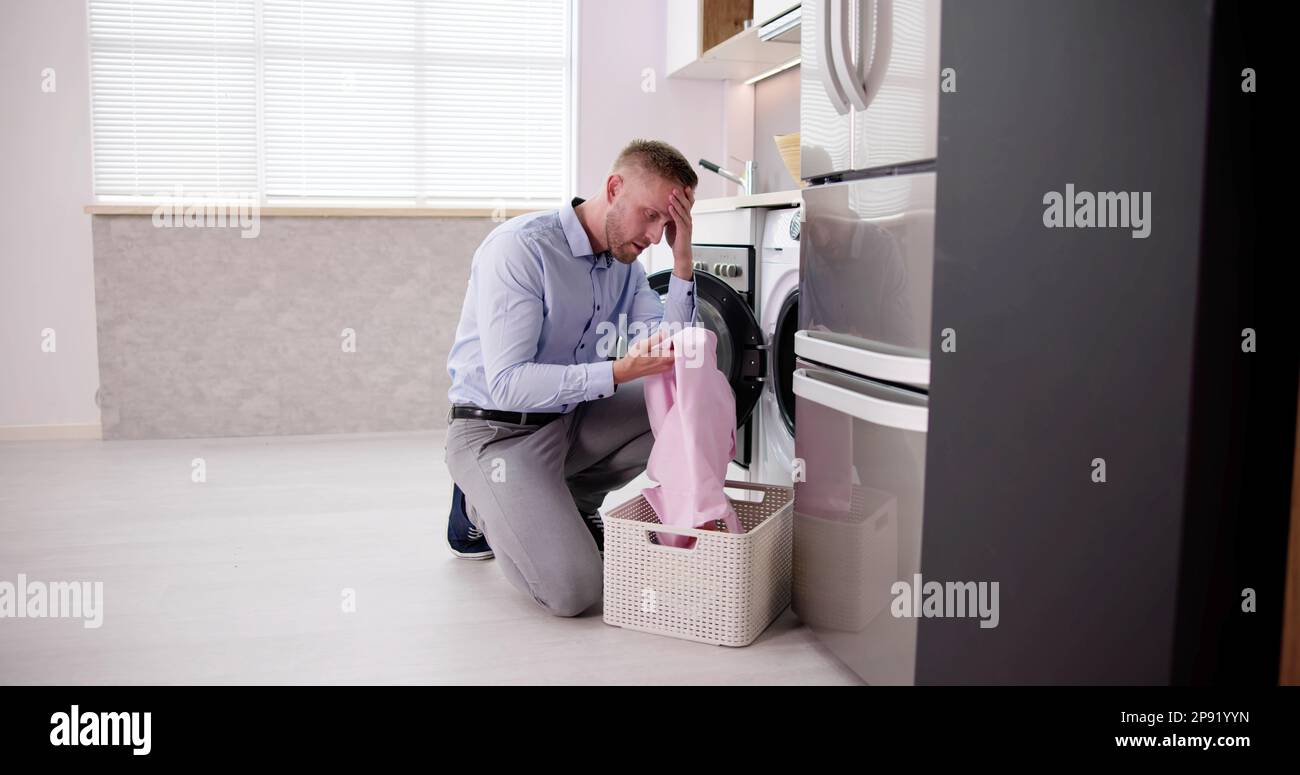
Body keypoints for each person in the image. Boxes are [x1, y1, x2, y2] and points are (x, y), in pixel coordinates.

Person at [443, 138, 700, 617]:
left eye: (667, 224)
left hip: (566, 421)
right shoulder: (521, 249)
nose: (653, 234)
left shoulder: (627, 266)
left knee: (678, 403)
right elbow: (508, 383)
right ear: (614, 186)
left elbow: (675, 353)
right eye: (650, 215)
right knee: (576, 593)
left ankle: (574, 502)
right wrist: (618, 371)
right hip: (496, 433)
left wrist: (682, 261)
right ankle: (478, 501)